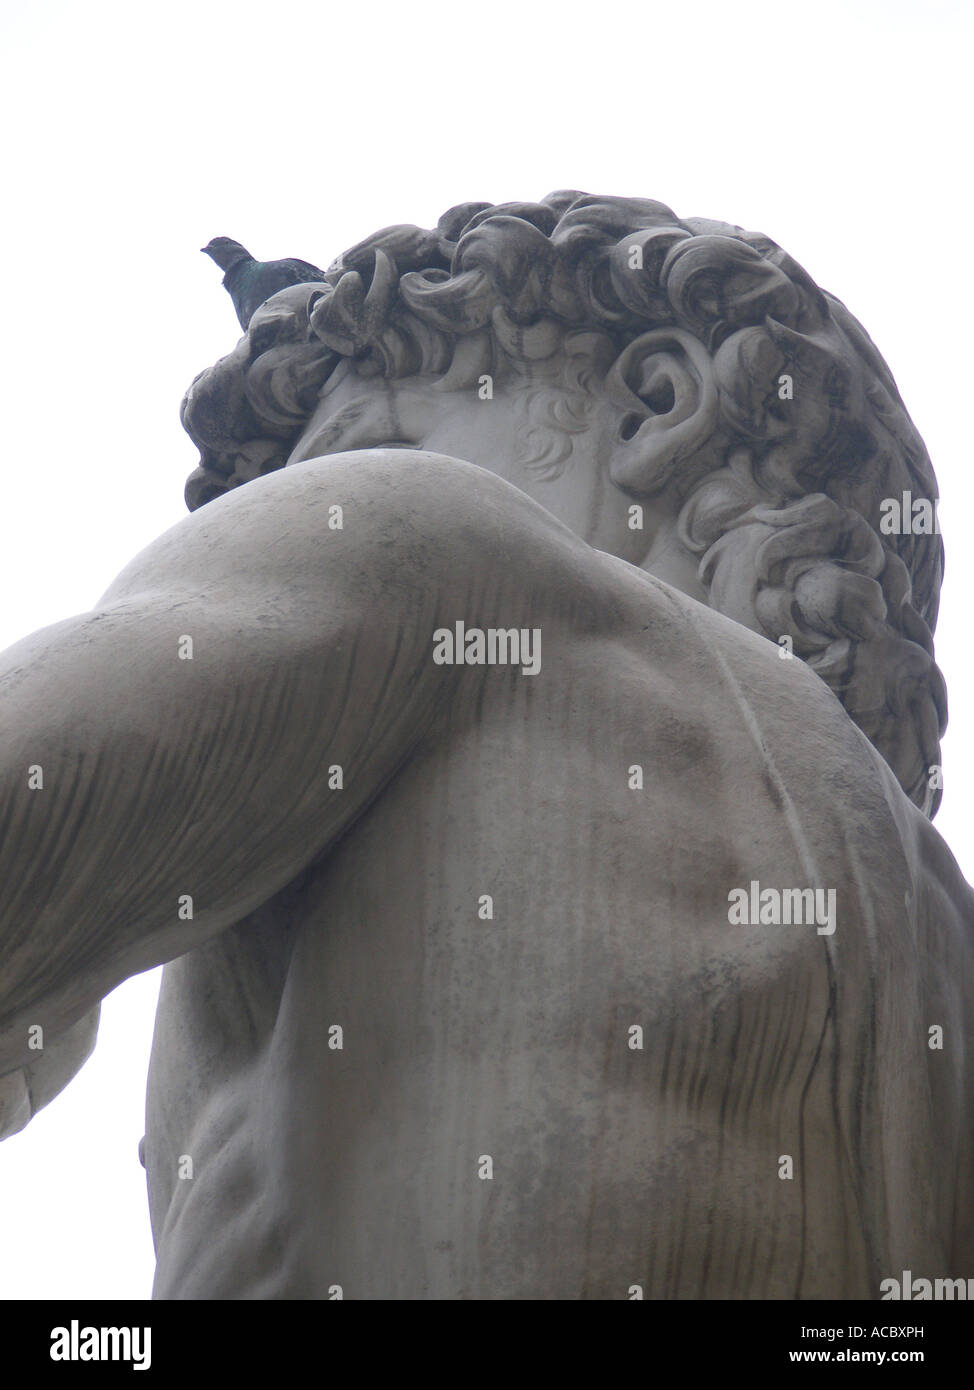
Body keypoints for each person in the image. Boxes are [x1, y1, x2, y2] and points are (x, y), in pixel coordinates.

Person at [1, 193, 970, 1299]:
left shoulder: (440, 549)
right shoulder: (939, 945)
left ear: (654, 404)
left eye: (348, 452)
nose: (298, 509)